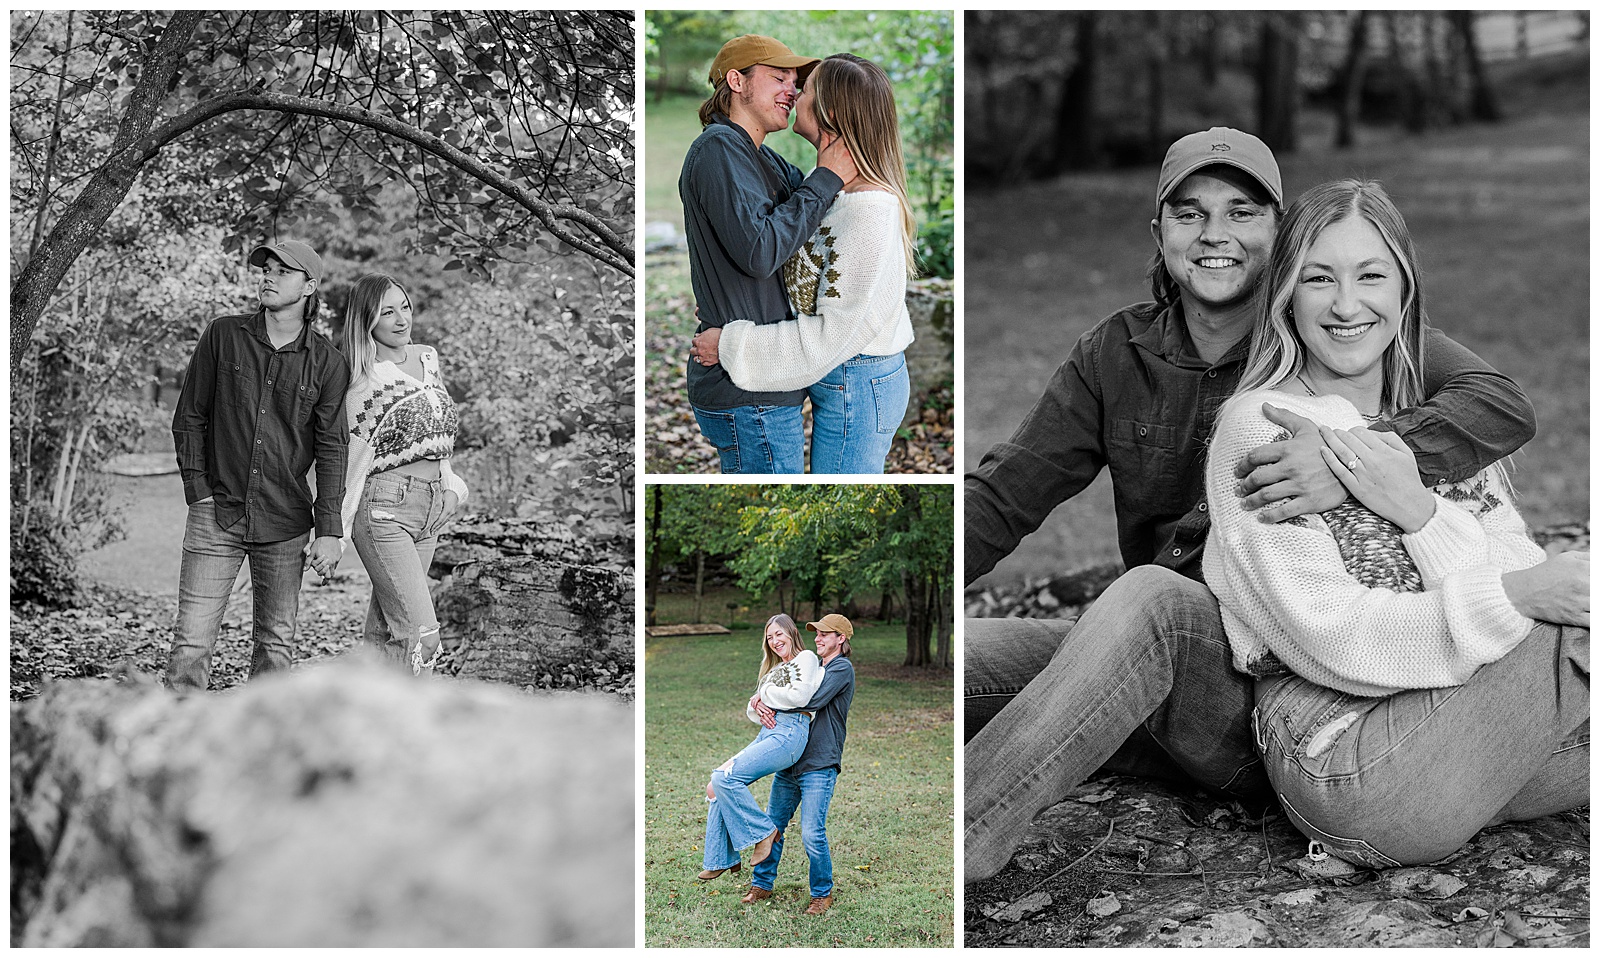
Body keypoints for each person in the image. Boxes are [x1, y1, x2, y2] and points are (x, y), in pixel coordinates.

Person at [962, 128, 1540, 882]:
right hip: (1166, 653)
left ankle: (959, 846)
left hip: (1272, 676)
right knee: (973, 656)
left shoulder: (1339, 329)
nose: (1215, 236)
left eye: (1242, 212)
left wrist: (1349, 461)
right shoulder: (1116, 354)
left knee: (1150, 602)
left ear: (1281, 232)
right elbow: (1007, 492)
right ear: (1159, 232)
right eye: (1189, 213)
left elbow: (1498, 403)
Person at [1205, 178, 1589, 865]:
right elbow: (1335, 637)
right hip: (1342, 752)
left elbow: (1513, 564)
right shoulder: (1261, 431)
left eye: (1371, 275)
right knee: (1571, 629)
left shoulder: (1439, 421)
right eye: (1318, 278)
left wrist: (1416, 508)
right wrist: (1515, 596)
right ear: (1286, 294)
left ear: (1405, 288)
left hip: (1462, 722)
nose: (1347, 305)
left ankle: (1472, 790)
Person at [689, 53, 916, 474]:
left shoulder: (870, 211)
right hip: (839, 378)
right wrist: (728, 297)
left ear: (832, 111)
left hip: (857, 382)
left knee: (840, 503)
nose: (795, 94)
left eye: (804, 88)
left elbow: (834, 336)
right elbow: (782, 244)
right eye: (785, 81)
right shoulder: (830, 192)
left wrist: (729, 343)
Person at [167, 240, 349, 691]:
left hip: (285, 522)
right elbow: (190, 416)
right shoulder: (223, 335)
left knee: (275, 645)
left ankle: (261, 750)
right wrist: (199, 492)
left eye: (281, 272)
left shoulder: (328, 363)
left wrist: (329, 528)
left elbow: (332, 448)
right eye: (265, 269)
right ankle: (173, 746)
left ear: (308, 287)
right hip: (218, 514)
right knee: (191, 643)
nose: (267, 277)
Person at [680, 34, 858, 474]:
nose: (792, 91)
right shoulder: (719, 149)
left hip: (764, 379)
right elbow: (761, 251)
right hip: (747, 392)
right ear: (737, 82)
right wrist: (826, 176)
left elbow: (820, 216)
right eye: (779, 78)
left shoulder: (763, 157)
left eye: (796, 82)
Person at [338, 273, 468, 675]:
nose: (401, 319)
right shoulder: (359, 379)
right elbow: (353, 459)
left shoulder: (427, 357)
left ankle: (366, 727)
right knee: (421, 635)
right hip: (384, 511)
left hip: (430, 509)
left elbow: (438, 430)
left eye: (405, 307)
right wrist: (335, 531)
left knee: (385, 635)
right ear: (366, 321)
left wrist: (450, 487)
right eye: (387, 312)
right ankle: (416, 731)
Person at [742, 613, 857, 915]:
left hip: (820, 762)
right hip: (791, 759)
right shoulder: (815, 666)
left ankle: (822, 893)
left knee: (812, 832)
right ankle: (762, 884)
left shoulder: (841, 668)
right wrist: (761, 701)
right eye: (816, 634)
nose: (817, 639)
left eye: (824, 634)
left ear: (840, 639)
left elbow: (808, 700)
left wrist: (763, 698)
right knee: (772, 826)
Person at [699, 615, 823, 882]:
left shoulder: (807, 659)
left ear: (791, 633)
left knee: (725, 778)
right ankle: (722, 858)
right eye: (769, 637)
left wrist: (763, 697)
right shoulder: (774, 669)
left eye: (779, 634)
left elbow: (800, 697)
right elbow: (753, 709)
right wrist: (757, 702)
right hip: (768, 732)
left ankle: (764, 833)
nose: (775, 641)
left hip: (790, 732)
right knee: (715, 784)